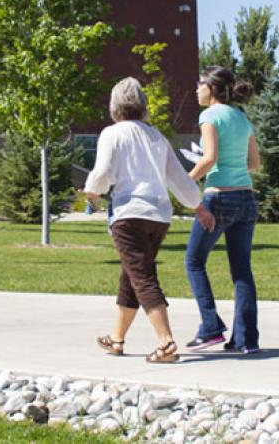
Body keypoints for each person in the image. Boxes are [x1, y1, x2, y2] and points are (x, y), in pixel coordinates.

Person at [84, 79, 214, 363]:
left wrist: (93, 191)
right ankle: (117, 338)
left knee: (142, 277)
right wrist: (198, 206)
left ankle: (166, 343)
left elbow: (102, 172)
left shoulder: (112, 133)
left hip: (129, 214)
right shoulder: (157, 137)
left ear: (114, 106)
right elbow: (178, 178)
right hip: (158, 217)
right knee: (132, 276)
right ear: (142, 105)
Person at [184, 66, 262, 354]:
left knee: (194, 261)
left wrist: (184, 182)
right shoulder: (242, 118)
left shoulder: (209, 116)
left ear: (213, 88)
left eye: (200, 83)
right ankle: (246, 340)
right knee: (242, 269)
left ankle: (210, 328)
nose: (197, 89)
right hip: (246, 199)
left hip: (219, 198)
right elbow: (254, 163)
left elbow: (209, 158)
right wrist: (232, 165)